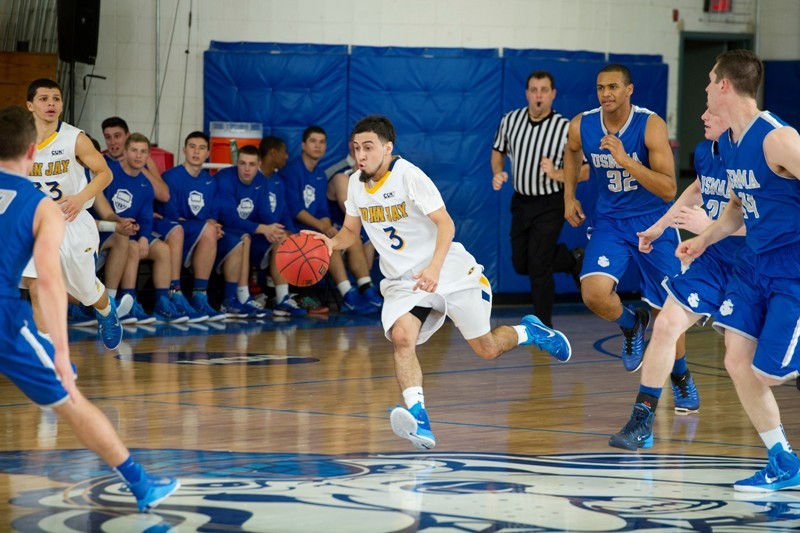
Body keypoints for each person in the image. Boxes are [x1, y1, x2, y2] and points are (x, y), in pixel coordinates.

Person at [307, 115, 571, 450]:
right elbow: (350, 233)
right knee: (402, 337)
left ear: (388, 148)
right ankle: (419, 417)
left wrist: (433, 267)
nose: (361, 154)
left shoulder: (409, 176)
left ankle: (530, 332)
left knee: (487, 349)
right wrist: (330, 244)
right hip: (405, 282)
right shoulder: (356, 185)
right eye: (356, 148)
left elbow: (446, 225)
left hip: (449, 271)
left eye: (369, 147)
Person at [0, 104, 179, 512]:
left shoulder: (73, 147)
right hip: (5, 317)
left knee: (84, 286)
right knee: (71, 401)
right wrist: (61, 352)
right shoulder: (37, 205)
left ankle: (103, 306)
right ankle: (141, 484)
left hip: (74, 236)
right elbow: (47, 283)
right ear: (32, 152)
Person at [678, 49, 800, 492]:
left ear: (725, 85)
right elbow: (736, 205)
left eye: (710, 80)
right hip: (754, 266)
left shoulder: (777, 139)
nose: (707, 87)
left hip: (792, 269)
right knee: (736, 361)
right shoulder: (731, 142)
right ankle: (782, 460)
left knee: (769, 371)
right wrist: (705, 238)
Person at [609, 109, 746, 450]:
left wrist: (708, 228)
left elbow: (768, 222)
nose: (701, 115)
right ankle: (643, 418)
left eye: (711, 109)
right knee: (667, 324)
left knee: (745, 360)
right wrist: (659, 226)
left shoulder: (752, 155)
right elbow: (696, 190)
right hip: (713, 261)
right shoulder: (705, 152)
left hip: (752, 266)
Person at [563, 64, 682, 372]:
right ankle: (631, 323)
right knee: (593, 294)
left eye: (613, 87)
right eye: (601, 88)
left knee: (668, 309)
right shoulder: (582, 124)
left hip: (654, 222)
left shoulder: (650, 125)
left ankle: (681, 376)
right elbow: (572, 151)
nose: (606, 94)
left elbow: (669, 189)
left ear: (629, 90)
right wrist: (569, 194)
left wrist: (625, 160)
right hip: (612, 221)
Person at [23, 78, 125, 350]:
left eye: (56, 98)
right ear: (30, 105)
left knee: (84, 290)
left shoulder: (74, 138)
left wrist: (81, 197)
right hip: (37, 225)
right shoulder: (16, 140)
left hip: (72, 221)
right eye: (44, 99)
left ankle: (105, 310)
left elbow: (106, 173)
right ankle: (46, 358)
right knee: (37, 286)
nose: (51, 104)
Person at [492, 70, 585, 327]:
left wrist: (557, 173)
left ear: (553, 94)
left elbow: (585, 169)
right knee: (521, 264)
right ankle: (571, 259)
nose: (538, 95)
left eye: (544, 90)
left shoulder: (565, 128)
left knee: (539, 264)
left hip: (550, 203)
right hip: (521, 201)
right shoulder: (510, 120)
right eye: (534, 90)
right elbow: (498, 151)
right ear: (527, 93)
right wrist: (498, 172)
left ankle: (543, 326)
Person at [162, 131, 263, 320]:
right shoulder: (171, 177)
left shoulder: (209, 181)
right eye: (192, 147)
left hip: (204, 235)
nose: (196, 152)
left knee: (237, 241)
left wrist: (213, 225)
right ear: (184, 150)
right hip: (177, 233)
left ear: (208, 153)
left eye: (201, 148)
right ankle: (186, 295)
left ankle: (227, 301)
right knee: (208, 230)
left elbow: (213, 215)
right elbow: (171, 218)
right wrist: (207, 226)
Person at [105, 133, 204, 323]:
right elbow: (99, 206)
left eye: (143, 152)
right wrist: (119, 223)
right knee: (131, 247)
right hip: (111, 231)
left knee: (162, 250)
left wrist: (144, 236)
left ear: (148, 156)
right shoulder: (110, 173)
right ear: (124, 152)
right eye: (134, 150)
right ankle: (128, 301)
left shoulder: (145, 184)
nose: (138, 156)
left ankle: (162, 302)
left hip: (132, 232)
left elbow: (145, 216)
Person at [282, 125, 373, 315]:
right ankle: (347, 294)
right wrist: (323, 227)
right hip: (294, 230)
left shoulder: (320, 174)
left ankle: (366, 289)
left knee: (350, 237)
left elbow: (323, 209)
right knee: (325, 241)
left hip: (315, 228)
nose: (318, 146)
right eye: (313, 141)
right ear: (303, 145)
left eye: (322, 142)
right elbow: (295, 209)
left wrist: (328, 226)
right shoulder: (292, 170)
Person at [216, 144, 306, 317]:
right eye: (242, 163)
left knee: (281, 237)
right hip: (225, 232)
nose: (247, 169)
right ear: (236, 163)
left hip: (250, 231)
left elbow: (265, 213)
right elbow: (228, 217)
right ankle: (242, 298)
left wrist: (275, 229)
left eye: (251, 164)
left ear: (258, 165)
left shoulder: (261, 181)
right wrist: (262, 228)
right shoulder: (225, 179)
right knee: (245, 238)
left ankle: (282, 299)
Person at [260, 135, 329, 315]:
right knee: (292, 243)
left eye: (322, 142)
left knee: (296, 239)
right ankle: (284, 297)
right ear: (274, 153)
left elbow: (283, 210)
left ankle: (351, 293)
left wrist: (290, 230)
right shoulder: (261, 178)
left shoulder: (277, 180)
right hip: (258, 233)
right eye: (284, 153)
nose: (286, 157)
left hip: (276, 232)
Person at [325, 143, 383, 309]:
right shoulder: (342, 175)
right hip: (339, 226)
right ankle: (350, 294)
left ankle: (367, 289)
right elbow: (349, 210)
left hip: (362, 226)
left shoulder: (372, 175)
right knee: (351, 239)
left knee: (371, 238)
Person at [101, 116, 170, 202]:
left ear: (128, 136)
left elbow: (164, 195)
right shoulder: (101, 162)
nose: (113, 142)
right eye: (108, 137)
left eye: (117, 136)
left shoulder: (145, 160)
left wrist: (136, 164)